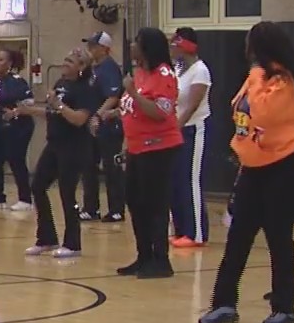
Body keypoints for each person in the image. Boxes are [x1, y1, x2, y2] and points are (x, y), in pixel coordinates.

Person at [201, 22, 294, 323]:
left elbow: (263, 114)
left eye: (250, 42)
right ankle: (223, 303)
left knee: (278, 236)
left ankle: (284, 307)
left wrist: (255, 79)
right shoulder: (259, 77)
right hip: (254, 164)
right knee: (238, 236)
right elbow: (237, 108)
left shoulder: (284, 81)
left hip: (286, 162)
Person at [117, 27, 182, 279]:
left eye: (136, 42)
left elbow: (160, 112)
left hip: (159, 148)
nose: (132, 46)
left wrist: (132, 92)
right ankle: (143, 256)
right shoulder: (140, 73)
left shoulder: (163, 74)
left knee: (155, 203)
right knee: (135, 201)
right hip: (136, 147)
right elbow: (132, 109)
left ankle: (160, 259)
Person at [27, 48, 97, 260]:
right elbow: (52, 113)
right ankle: (47, 237)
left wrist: (58, 104)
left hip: (74, 146)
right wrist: (27, 110)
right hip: (54, 144)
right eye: (65, 59)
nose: (64, 63)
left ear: (81, 67)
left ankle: (73, 243)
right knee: (38, 186)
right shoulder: (60, 84)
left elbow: (79, 119)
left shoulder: (85, 89)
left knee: (67, 192)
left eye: (70, 61)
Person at [170, 27, 211, 247]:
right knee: (175, 181)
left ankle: (196, 233)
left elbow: (192, 105)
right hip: (176, 129)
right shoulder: (177, 70)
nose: (173, 49)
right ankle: (180, 229)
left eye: (176, 44)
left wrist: (175, 127)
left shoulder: (200, 71)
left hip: (194, 129)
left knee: (190, 180)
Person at [80, 32, 125, 223]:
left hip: (108, 126)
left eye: (93, 45)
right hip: (91, 126)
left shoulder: (109, 68)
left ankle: (116, 209)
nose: (90, 49)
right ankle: (91, 208)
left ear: (104, 48)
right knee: (88, 166)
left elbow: (113, 96)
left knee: (111, 168)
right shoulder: (92, 69)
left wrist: (98, 115)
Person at [0, 47, 35, 211]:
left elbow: (29, 101)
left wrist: (15, 112)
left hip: (18, 127)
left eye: (1, 60)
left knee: (16, 160)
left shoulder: (17, 81)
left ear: (10, 63)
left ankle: (25, 199)